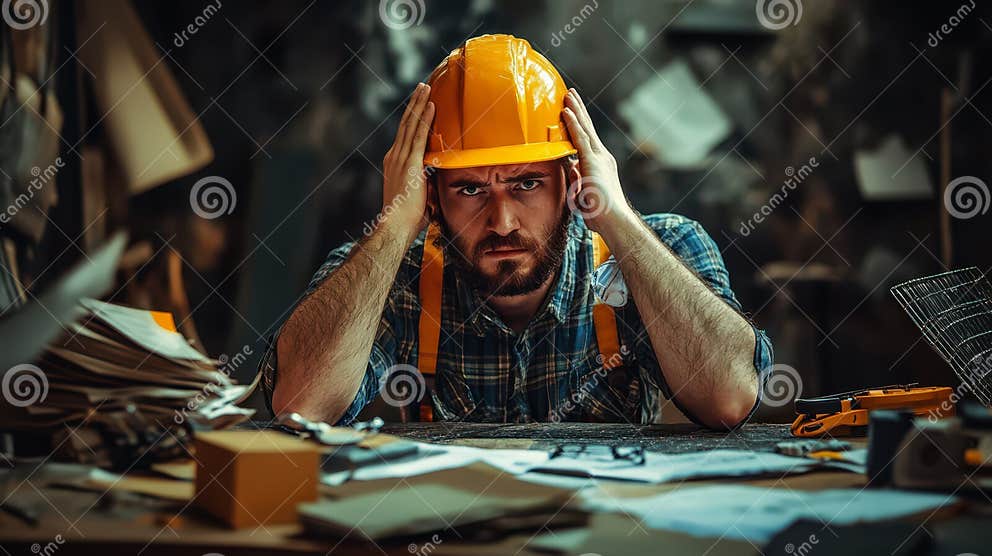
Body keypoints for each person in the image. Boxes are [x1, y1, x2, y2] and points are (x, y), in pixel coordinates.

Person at [262, 34, 772, 429]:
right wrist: (395, 226)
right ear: (431, 195)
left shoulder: (660, 254)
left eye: (525, 183)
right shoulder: (391, 279)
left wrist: (616, 217)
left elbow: (728, 397)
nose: (502, 222)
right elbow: (299, 406)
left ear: (571, 179)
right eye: (469, 190)